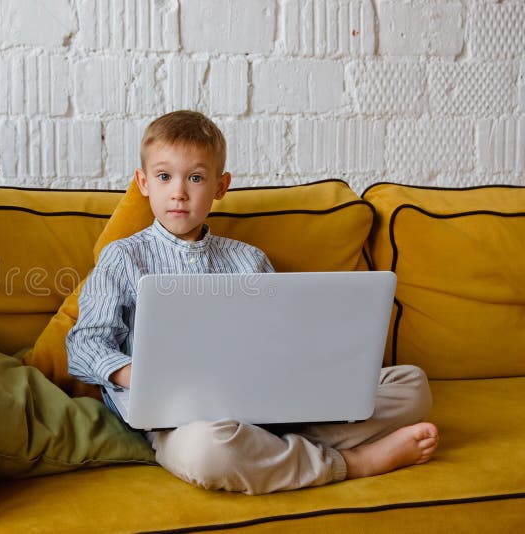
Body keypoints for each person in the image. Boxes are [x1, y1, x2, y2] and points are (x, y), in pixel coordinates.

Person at [66, 110, 439, 495]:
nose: (178, 191)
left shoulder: (248, 260)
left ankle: (274, 445)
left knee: (413, 386)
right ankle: (351, 461)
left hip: (264, 405)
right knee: (209, 454)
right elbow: (83, 346)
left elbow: (280, 341)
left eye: (195, 177)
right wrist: (140, 376)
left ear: (220, 186)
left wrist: (309, 367)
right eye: (164, 177)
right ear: (143, 183)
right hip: (180, 422)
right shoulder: (123, 257)